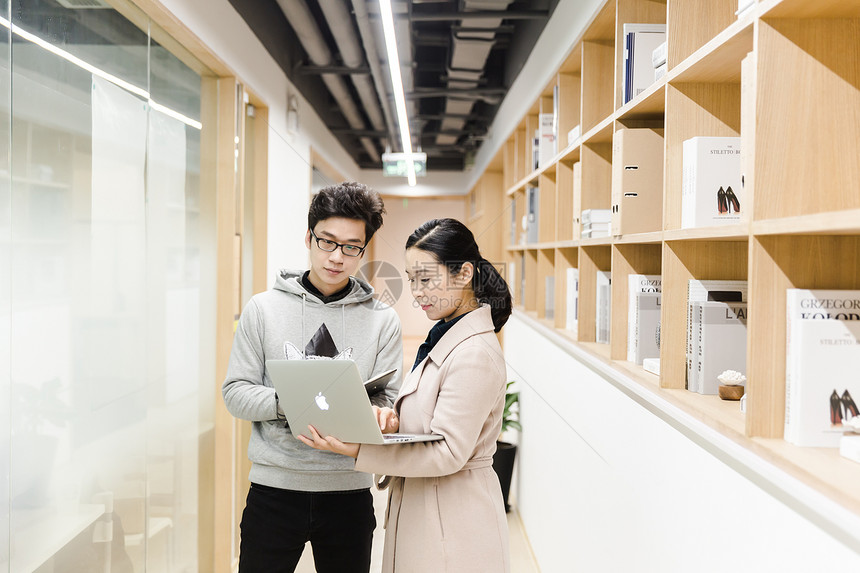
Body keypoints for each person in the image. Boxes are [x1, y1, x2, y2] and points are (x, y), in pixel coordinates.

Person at [299, 217, 513, 573]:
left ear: (463, 274)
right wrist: (393, 419)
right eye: (412, 280)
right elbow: (433, 420)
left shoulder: (474, 352)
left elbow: (447, 452)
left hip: (454, 519)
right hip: (430, 507)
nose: (416, 292)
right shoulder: (445, 335)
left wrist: (357, 450)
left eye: (426, 279)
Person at [222, 181, 403, 573]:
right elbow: (235, 393)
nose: (337, 257)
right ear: (309, 237)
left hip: (348, 491)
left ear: (364, 249)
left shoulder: (382, 320)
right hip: (274, 490)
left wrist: (379, 414)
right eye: (327, 241)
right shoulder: (262, 309)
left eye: (351, 246)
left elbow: (389, 398)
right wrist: (287, 401)